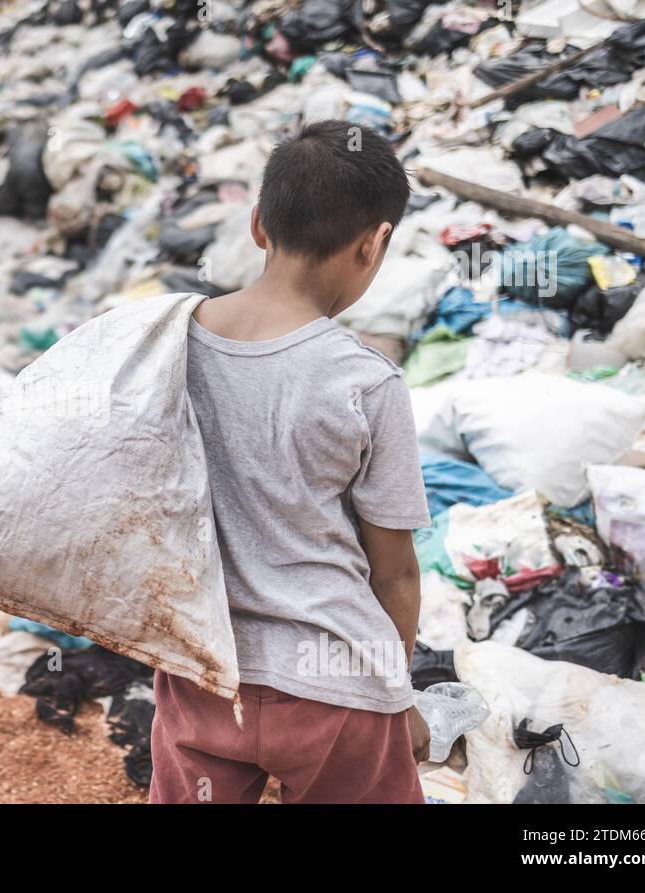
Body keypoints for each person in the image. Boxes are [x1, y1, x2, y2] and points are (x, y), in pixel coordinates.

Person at [148, 120, 433, 804]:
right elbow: (394, 570)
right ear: (375, 243)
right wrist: (398, 696)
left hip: (203, 673)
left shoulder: (167, 346)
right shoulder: (366, 381)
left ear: (257, 225)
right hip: (338, 688)